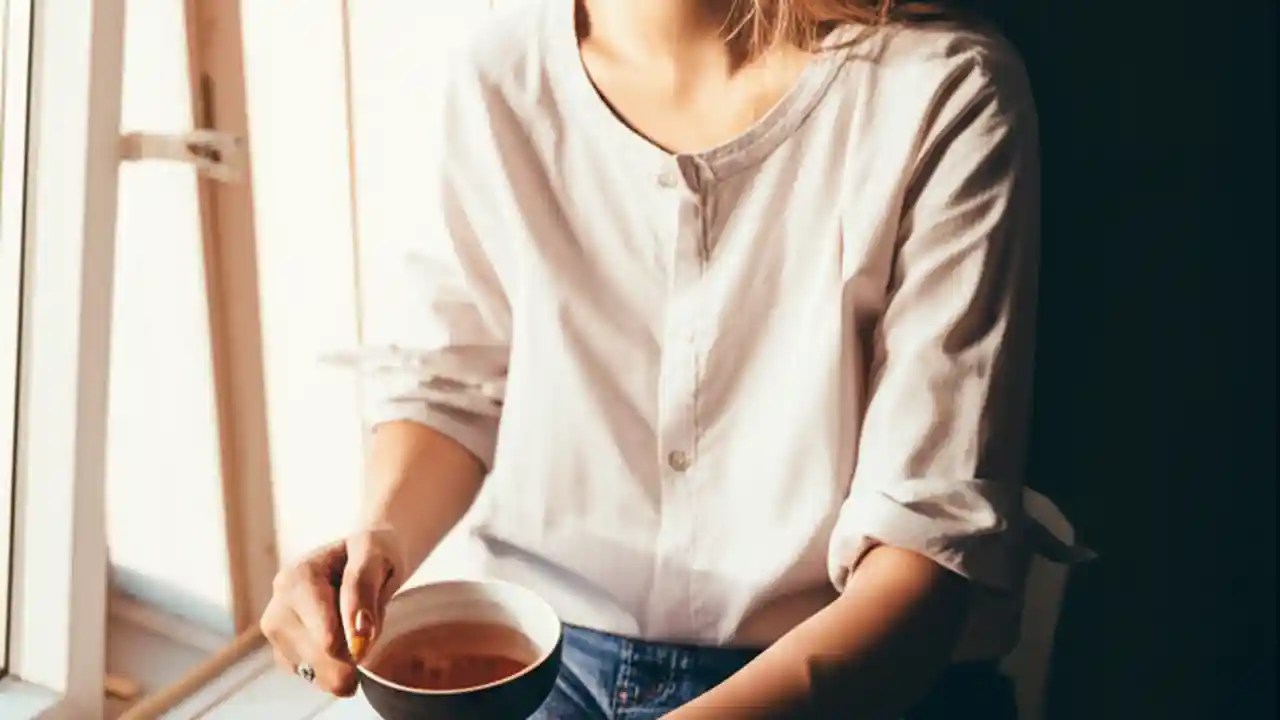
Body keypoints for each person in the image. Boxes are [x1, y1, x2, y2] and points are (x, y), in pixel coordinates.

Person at [261, 0, 1070, 716]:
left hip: (841, 675)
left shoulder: (942, 90)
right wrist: (377, 542)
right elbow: (451, 387)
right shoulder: (496, 77)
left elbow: (923, 561)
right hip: (545, 662)